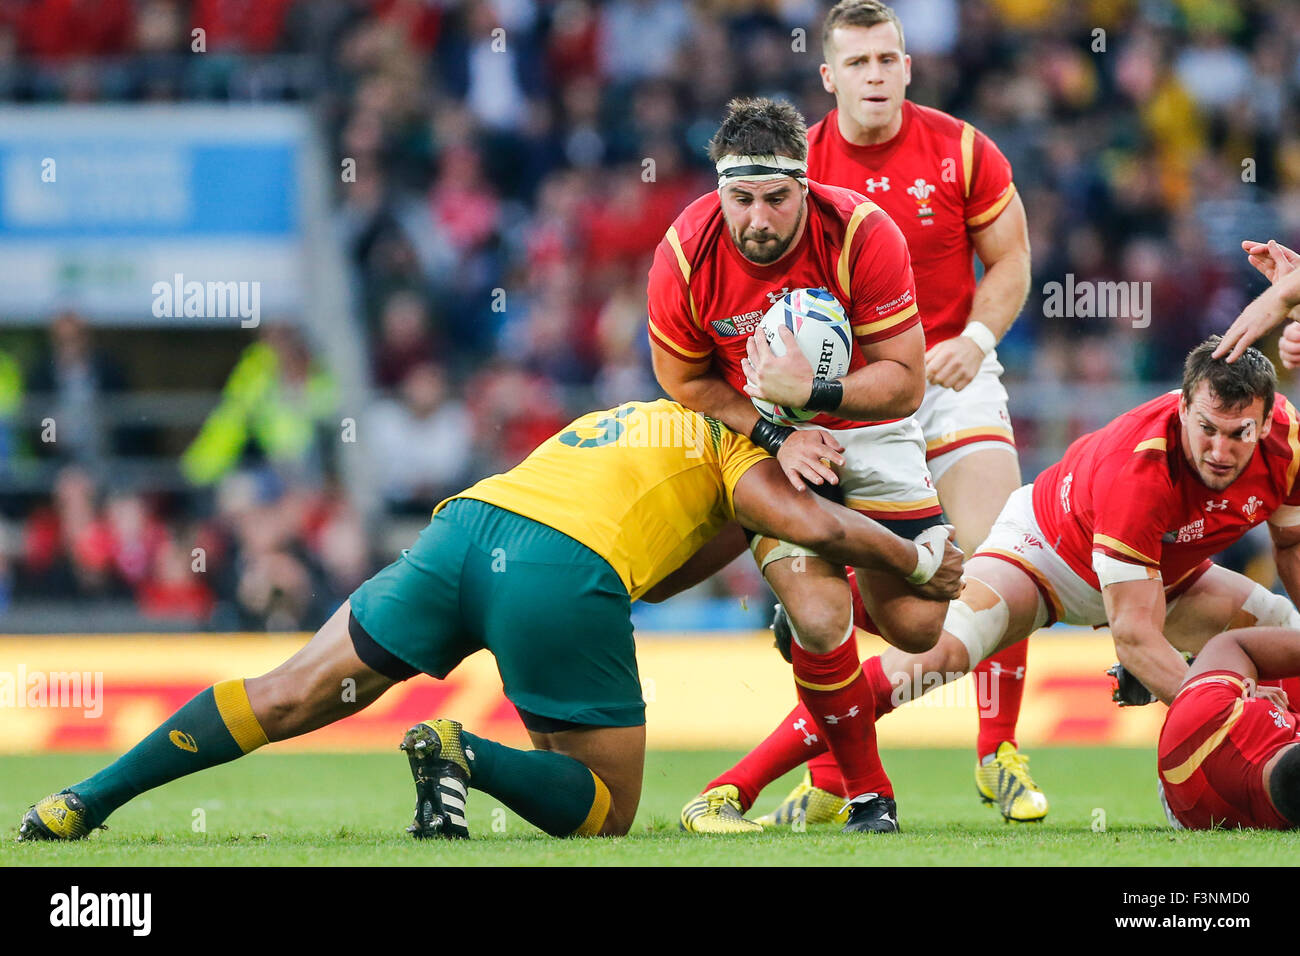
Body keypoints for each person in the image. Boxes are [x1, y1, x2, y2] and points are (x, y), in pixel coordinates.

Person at [19, 399, 960, 842]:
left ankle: (83, 803)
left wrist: (754, 541)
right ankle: (458, 753)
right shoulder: (736, 442)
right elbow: (811, 521)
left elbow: (671, 578)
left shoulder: (642, 415)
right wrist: (917, 557)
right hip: (558, 566)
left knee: (286, 693)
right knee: (603, 809)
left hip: (465, 533)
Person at [702, 0, 1041, 829]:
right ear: (829, 77)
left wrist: (977, 334)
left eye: (888, 59)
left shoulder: (963, 148)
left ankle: (997, 750)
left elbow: (1014, 261)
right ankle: (836, 773)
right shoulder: (799, 168)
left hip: (951, 378)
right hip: (843, 401)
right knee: (839, 594)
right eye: (858, 64)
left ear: (909, 67)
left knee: (1003, 548)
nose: (877, 76)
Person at [647, 95, 947, 833]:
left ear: (805, 187)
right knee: (821, 619)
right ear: (718, 189)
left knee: (918, 629)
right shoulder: (684, 251)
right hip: (760, 438)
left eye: (776, 199)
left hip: (864, 422)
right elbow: (683, 380)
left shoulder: (862, 233)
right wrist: (779, 431)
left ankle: (823, 613)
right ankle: (871, 796)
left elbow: (905, 380)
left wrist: (813, 391)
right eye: (739, 198)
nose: (756, 218)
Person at [843, 339, 1300, 757]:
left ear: (1262, 426)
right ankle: (821, 759)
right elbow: (1135, 635)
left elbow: (1290, 543)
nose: (1221, 449)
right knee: (940, 654)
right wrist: (1220, 707)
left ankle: (1277, 760)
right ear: (1183, 409)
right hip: (1050, 549)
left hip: (1153, 580)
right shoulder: (1141, 470)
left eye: (1237, 433)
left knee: (1283, 627)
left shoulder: (1285, 442)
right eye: (1208, 429)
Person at [1158, 626, 1300, 831]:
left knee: (1270, 616)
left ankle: (1188, 673)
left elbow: (1229, 644)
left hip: (1191, 768)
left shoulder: (1207, 722)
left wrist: (1241, 686)